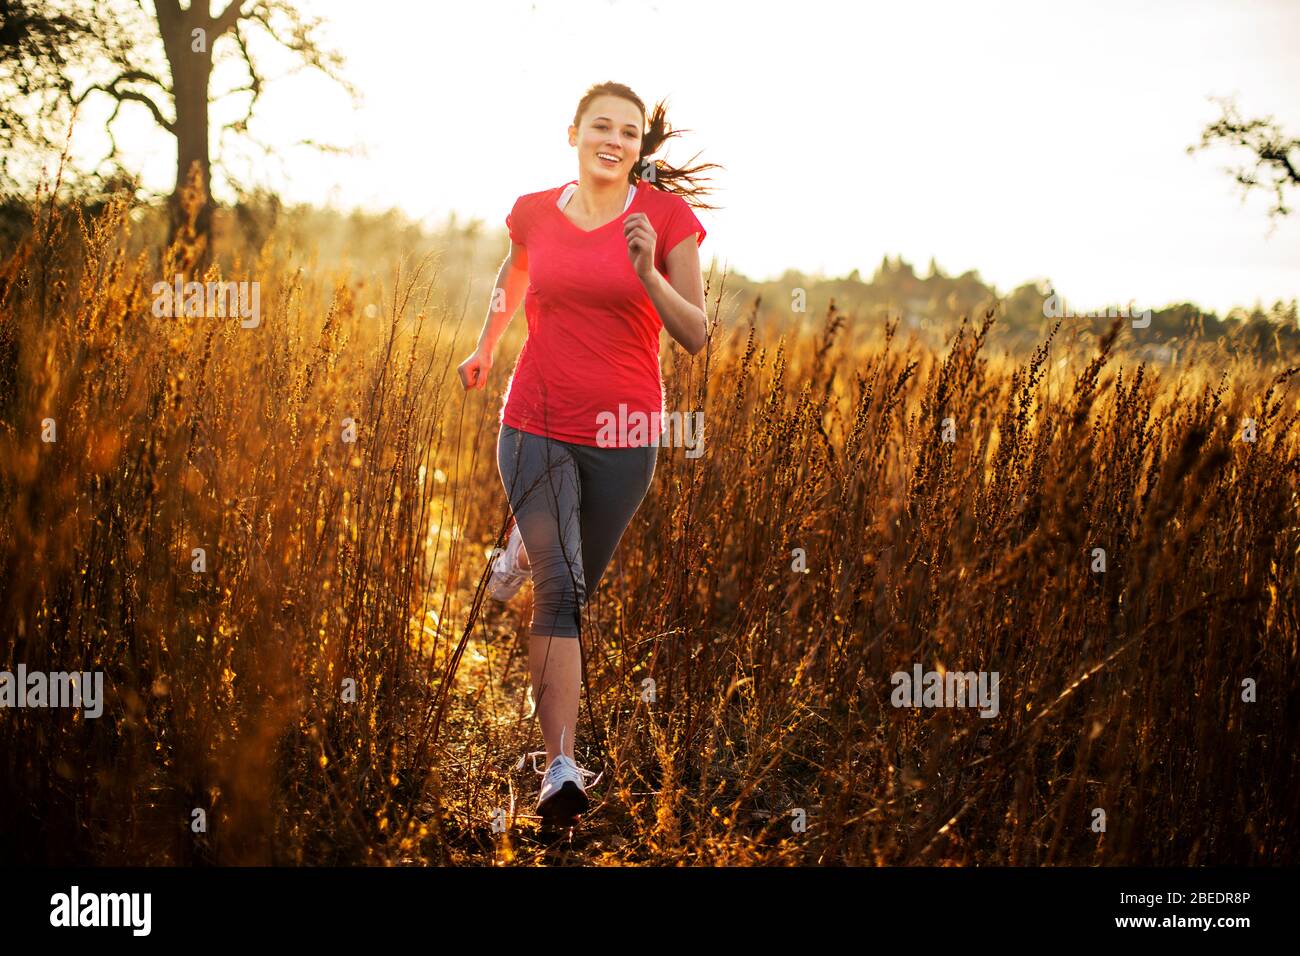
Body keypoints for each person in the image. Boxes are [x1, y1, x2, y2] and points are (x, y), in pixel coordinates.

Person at [457, 80, 720, 827]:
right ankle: (560, 767)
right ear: (572, 131)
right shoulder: (536, 211)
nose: (615, 139)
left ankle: (514, 552)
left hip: (625, 437)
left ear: (640, 147)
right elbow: (514, 278)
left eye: (629, 132)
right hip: (534, 419)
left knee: (572, 589)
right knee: (562, 589)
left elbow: (697, 334)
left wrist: (644, 273)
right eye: (601, 126)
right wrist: (484, 349)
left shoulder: (666, 218)